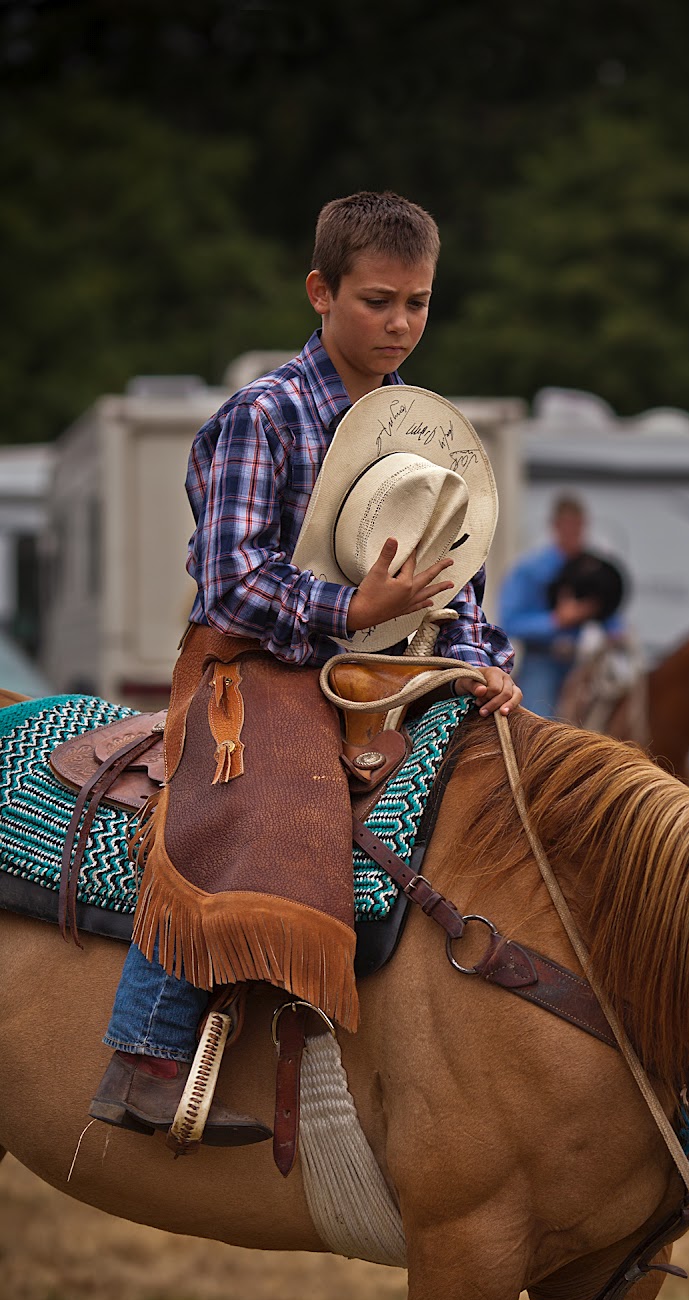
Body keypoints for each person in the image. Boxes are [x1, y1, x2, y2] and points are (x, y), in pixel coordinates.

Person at [89, 190, 521, 1146]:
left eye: (417, 303)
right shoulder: (266, 417)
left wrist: (482, 663)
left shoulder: (425, 434)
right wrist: (347, 610)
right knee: (262, 802)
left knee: (516, 777)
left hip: (394, 671)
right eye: (377, 300)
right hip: (260, 662)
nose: (400, 324)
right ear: (320, 292)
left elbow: (461, 581)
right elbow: (229, 581)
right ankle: (147, 1056)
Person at [498, 495, 627, 717]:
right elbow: (510, 622)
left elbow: (606, 608)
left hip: (582, 660)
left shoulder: (594, 568)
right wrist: (556, 621)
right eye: (568, 527)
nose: (574, 534)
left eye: (578, 527)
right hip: (542, 660)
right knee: (540, 721)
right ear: (555, 526)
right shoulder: (530, 569)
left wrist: (614, 631)